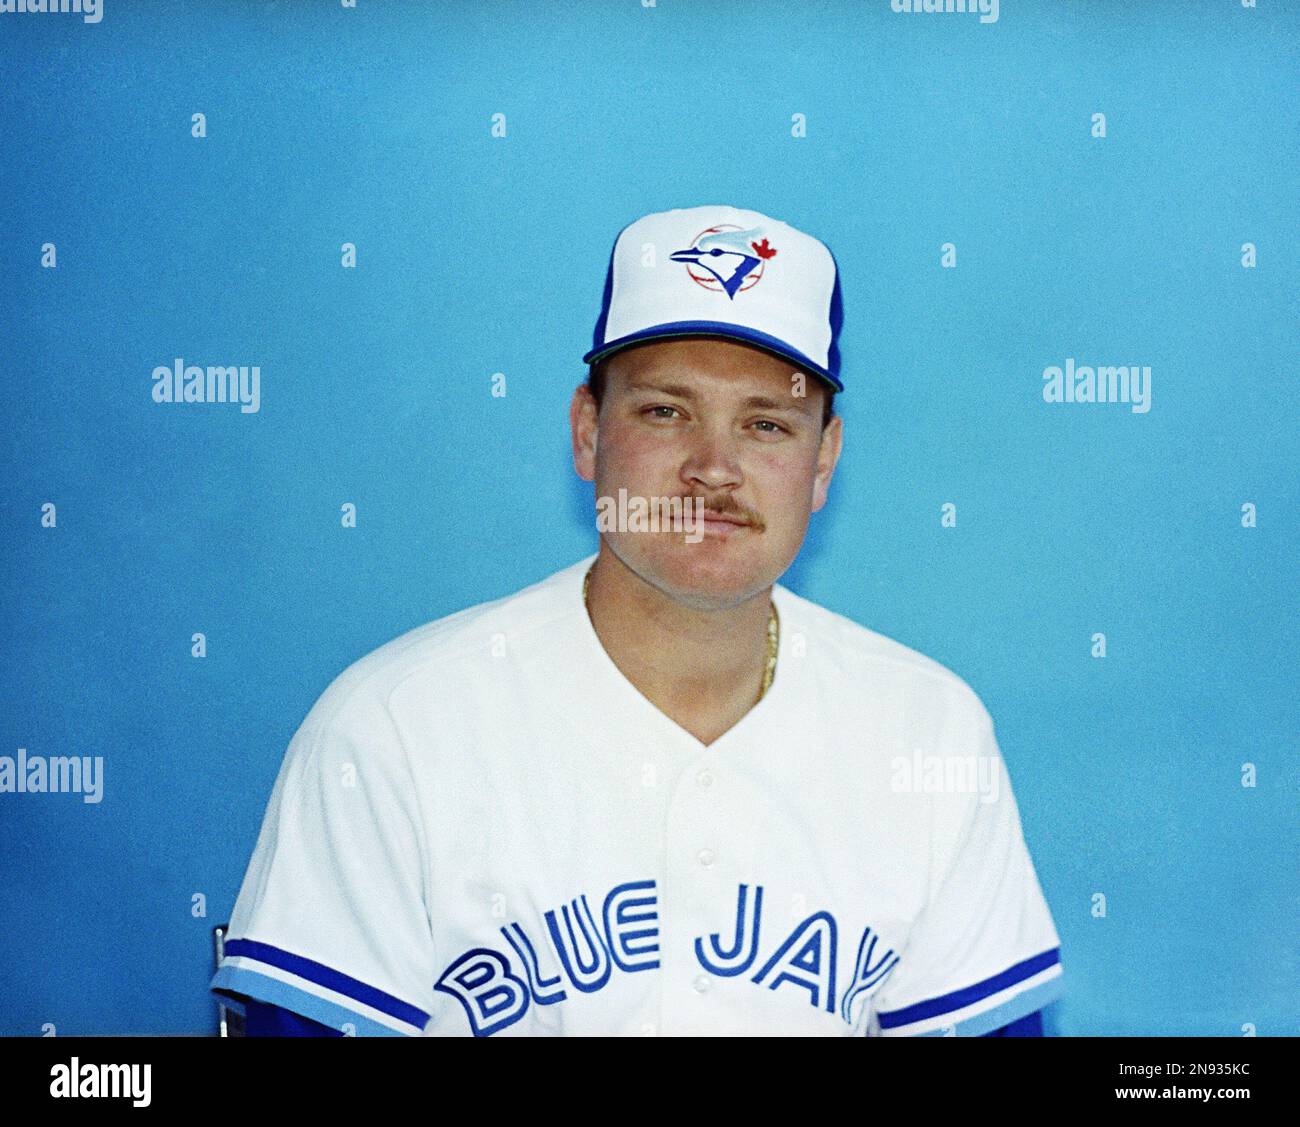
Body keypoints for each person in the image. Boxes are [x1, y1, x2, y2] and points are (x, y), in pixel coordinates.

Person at [212, 205, 1064, 1037]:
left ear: (822, 463)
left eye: (766, 424)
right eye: (666, 411)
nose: (715, 469)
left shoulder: (930, 731)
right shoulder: (391, 730)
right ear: (588, 432)